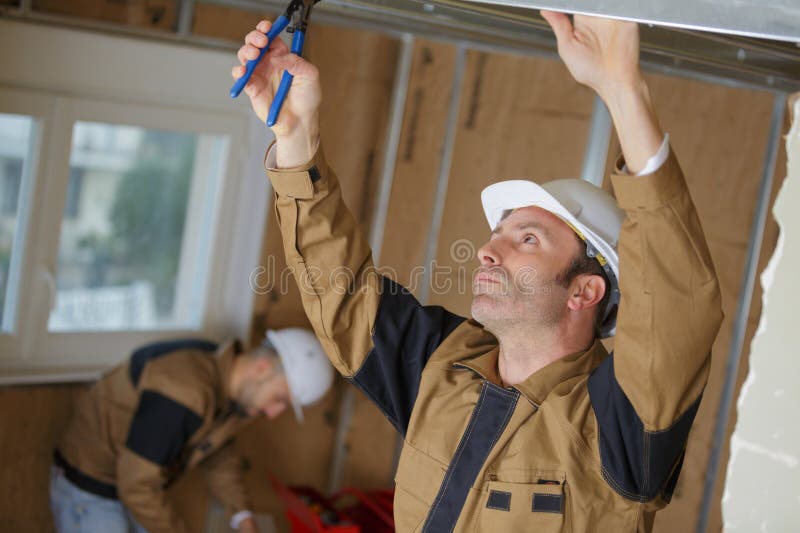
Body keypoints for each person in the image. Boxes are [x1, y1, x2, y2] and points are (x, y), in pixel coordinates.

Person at [233, 11, 722, 532]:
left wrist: (622, 90)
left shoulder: (613, 426)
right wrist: (295, 134)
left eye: (527, 239)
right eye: (498, 234)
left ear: (585, 289)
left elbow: (677, 305)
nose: (488, 251)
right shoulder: (443, 368)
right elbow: (342, 294)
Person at [50, 329, 334, 533]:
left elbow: (218, 454)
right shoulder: (185, 392)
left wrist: (243, 518)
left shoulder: (226, 383)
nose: (273, 414)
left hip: (129, 485)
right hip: (90, 488)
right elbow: (137, 486)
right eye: (280, 399)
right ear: (262, 369)